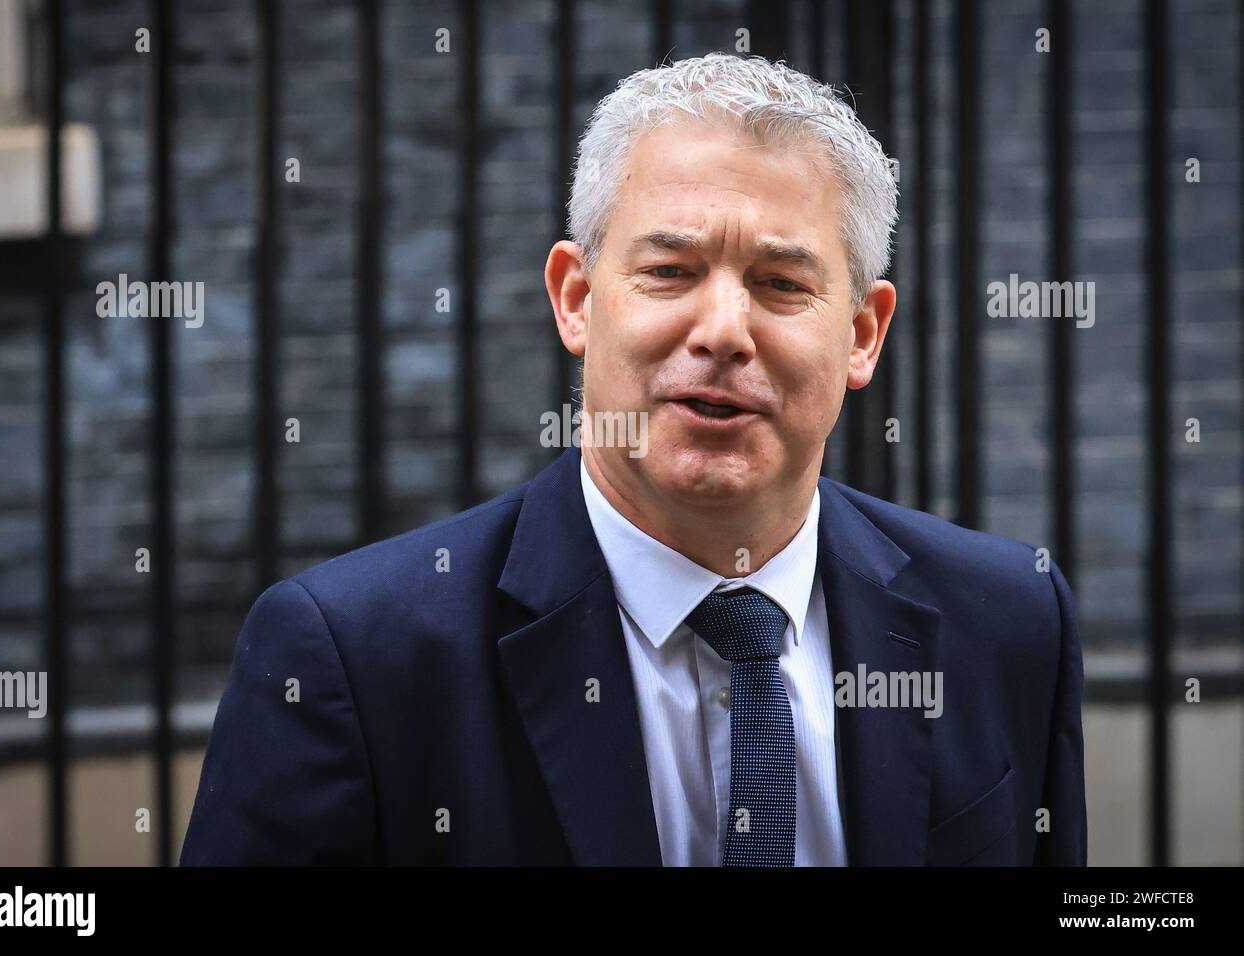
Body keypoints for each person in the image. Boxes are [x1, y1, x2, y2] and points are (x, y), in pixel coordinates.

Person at [180, 52, 1085, 866]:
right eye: (671, 271)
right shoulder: (356, 658)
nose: (724, 332)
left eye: (780, 284)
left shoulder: (1007, 622)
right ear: (576, 300)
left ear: (861, 334)